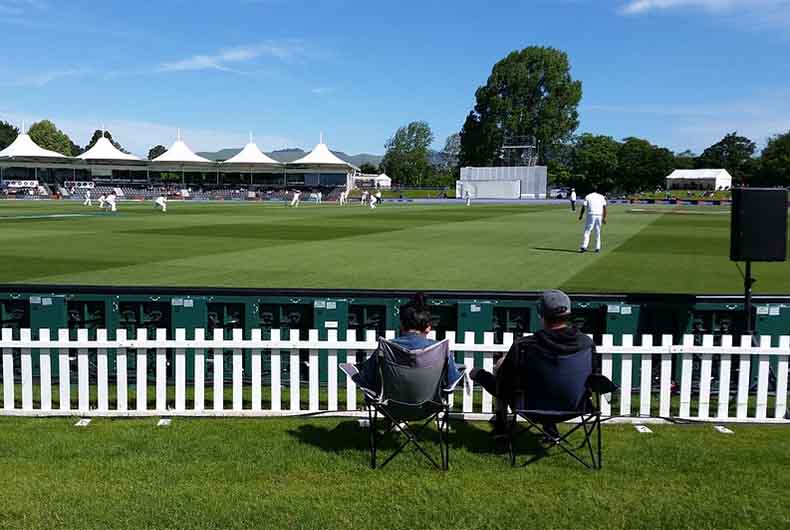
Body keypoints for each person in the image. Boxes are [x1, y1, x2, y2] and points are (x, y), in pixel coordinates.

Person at [469, 289, 596, 436]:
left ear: (540, 314)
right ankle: (550, 428)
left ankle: (501, 427)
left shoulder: (524, 345)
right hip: (576, 407)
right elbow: (594, 378)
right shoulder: (586, 343)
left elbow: (502, 388)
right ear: (568, 313)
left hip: (531, 408)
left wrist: (480, 375)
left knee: (502, 367)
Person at [356, 293, 463, 392]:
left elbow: (367, 379)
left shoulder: (386, 347)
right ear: (428, 328)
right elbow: (451, 382)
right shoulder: (440, 349)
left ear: (402, 326)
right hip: (429, 405)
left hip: (391, 405)